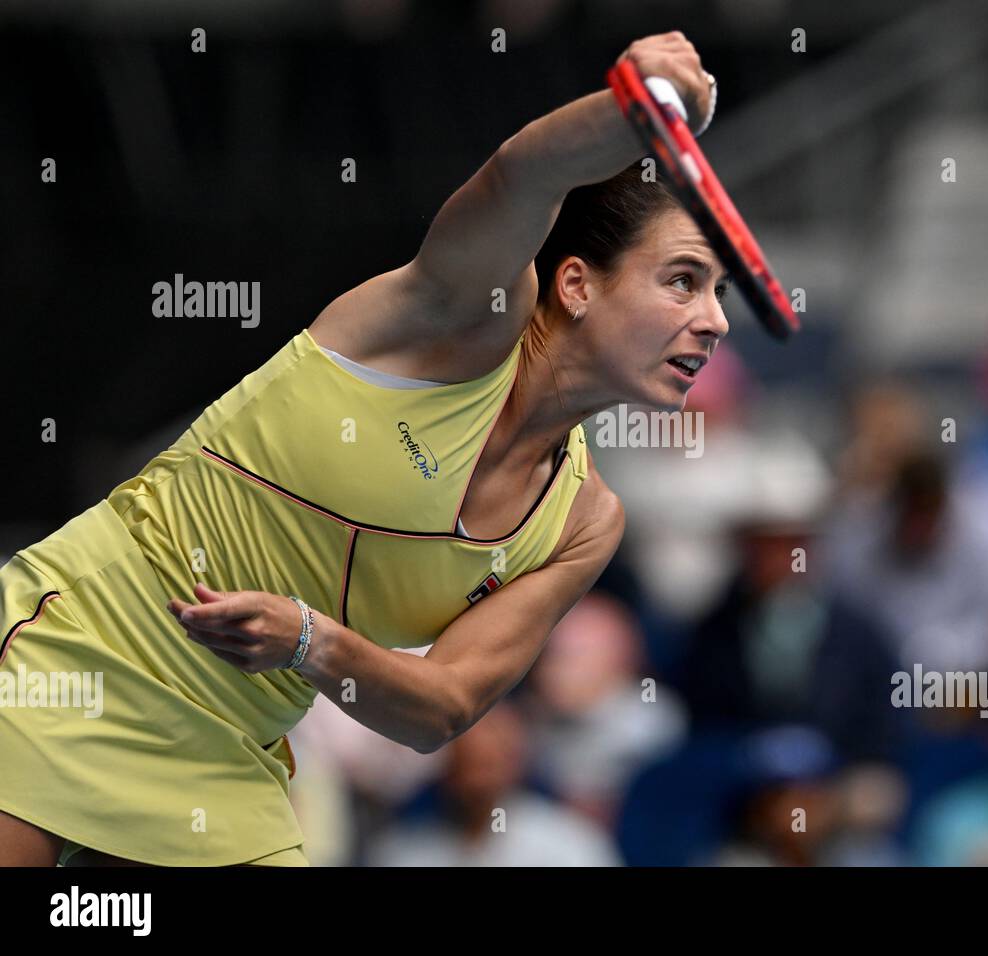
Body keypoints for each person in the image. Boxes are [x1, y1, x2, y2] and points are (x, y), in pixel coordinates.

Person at [0, 31, 727, 866]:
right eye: (682, 280)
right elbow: (520, 174)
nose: (714, 319)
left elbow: (443, 706)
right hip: (83, 641)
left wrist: (311, 641)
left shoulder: (585, 522)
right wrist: (624, 112)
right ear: (576, 286)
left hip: (227, 748)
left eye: (718, 291)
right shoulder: (466, 317)